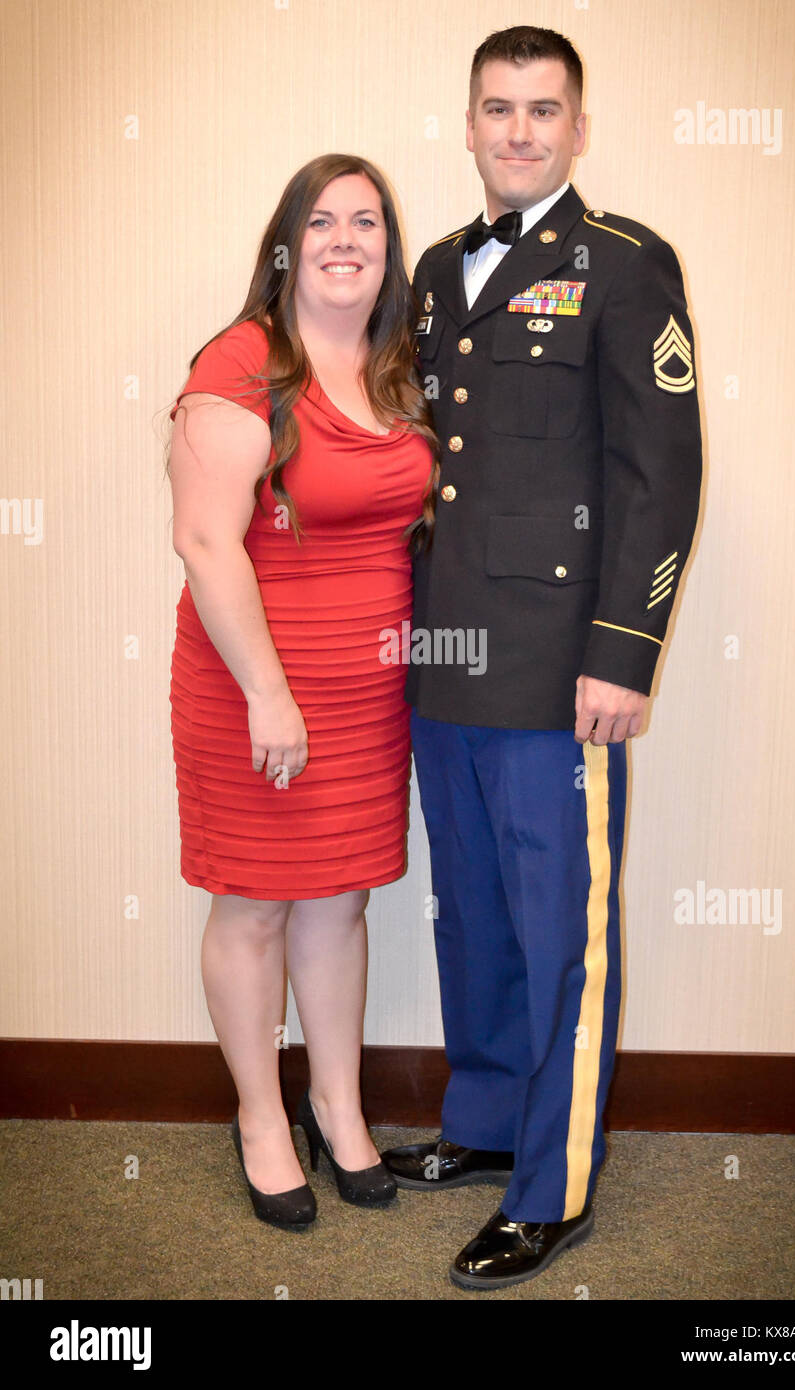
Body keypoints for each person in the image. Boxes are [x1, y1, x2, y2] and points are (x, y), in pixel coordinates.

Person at [380, 26, 703, 1289]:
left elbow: (657, 470)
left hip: (562, 673)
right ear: (465, 124)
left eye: (542, 109)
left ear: (577, 128)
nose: (517, 130)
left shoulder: (622, 266)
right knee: (472, 917)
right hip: (444, 658)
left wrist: (624, 653)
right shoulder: (438, 269)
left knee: (559, 925)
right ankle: (482, 1126)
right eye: (496, 108)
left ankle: (551, 1183)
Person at [166, 154, 437, 1228]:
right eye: (319, 221)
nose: (343, 240)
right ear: (285, 245)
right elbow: (202, 538)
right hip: (254, 683)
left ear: (387, 248)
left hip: (367, 695)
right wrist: (270, 695)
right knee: (255, 906)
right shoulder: (243, 362)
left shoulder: (395, 366)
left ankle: (336, 1104)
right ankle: (260, 1118)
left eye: (365, 223)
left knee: (340, 899)